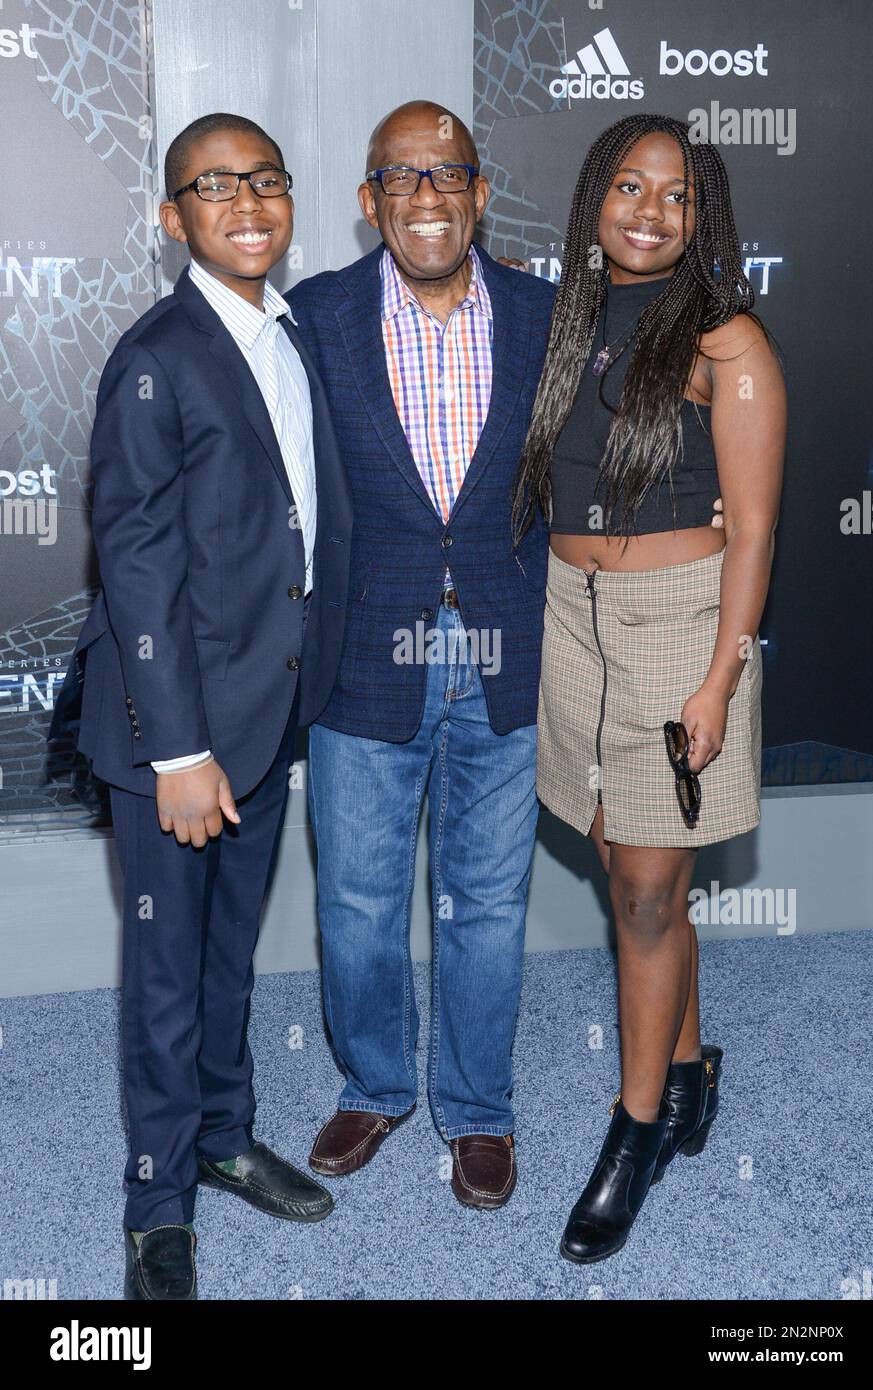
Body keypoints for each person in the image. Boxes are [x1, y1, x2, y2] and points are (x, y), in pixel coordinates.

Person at [60, 113, 352, 1298]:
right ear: (172, 216)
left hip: (266, 711)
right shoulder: (156, 351)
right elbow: (130, 561)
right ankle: (155, 1202)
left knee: (229, 957)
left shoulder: (292, 334)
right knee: (167, 973)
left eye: (267, 180)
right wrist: (177, 751)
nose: (246, 202)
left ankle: (225, 1138)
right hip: (171, 738)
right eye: (212, 185)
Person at [511, 113, 785, 1262]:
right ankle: (685, 1076)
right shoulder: (561, 323)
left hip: (680, 633)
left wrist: (720, 676)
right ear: (593, 200)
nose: (646, 209)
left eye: (673, 195)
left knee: (640, 897)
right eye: (626, 185)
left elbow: (756, 527)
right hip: (569, 624)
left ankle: (631, 1136)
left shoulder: (727, 344)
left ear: (699, 215)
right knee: (634, 870)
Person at [285, 101, 558, 1209]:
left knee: (485, 901)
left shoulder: (546, 315)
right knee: (356, 900)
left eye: (447, 172)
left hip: (507, 642)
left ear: (480, 194)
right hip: (362, 647)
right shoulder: (314, 319)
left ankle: (478, 1112)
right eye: (401, 176)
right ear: (368, 203)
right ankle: (376, 1084)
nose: (427, 194)